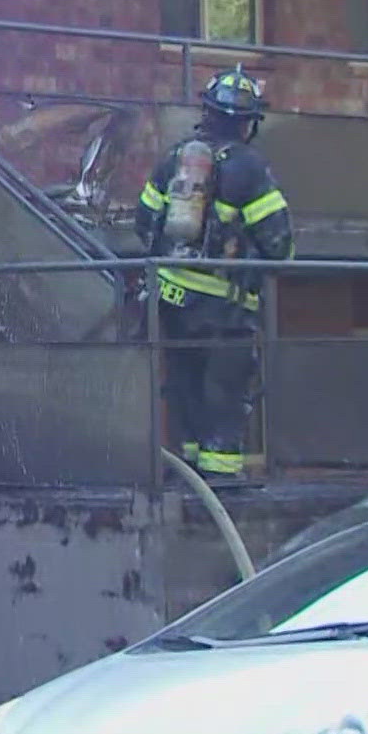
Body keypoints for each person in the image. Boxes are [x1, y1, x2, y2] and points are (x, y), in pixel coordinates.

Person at [133, 66, 294, 480]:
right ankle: (221, 483)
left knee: (186, 389)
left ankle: (189, 476)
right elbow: (281, 245)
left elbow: (144, 221)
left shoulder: (174, 159)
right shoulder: (250, 169)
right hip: (225, 311)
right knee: (223, 395)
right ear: (247, 123)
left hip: (172, 303)